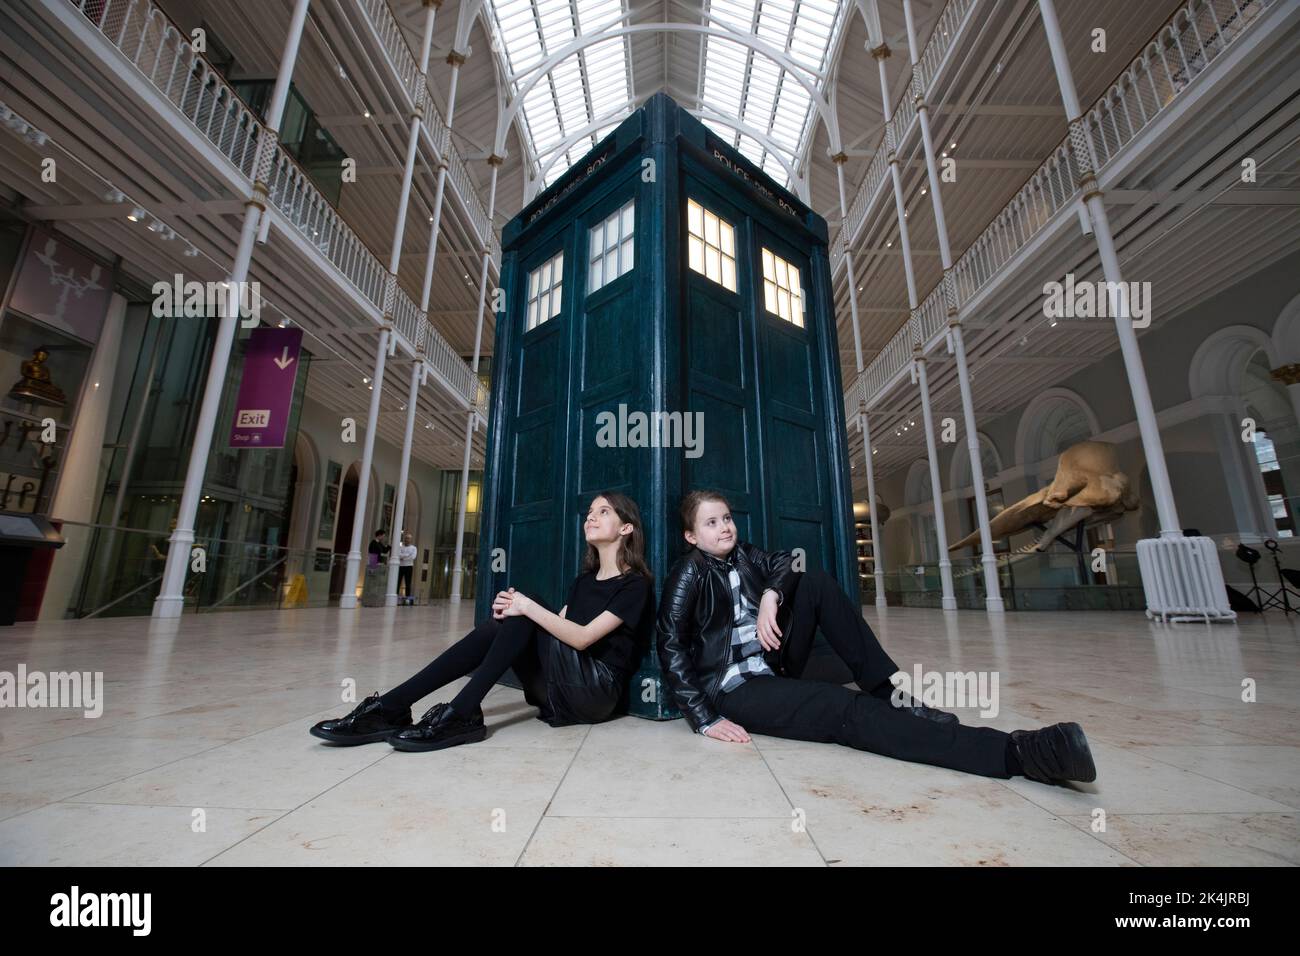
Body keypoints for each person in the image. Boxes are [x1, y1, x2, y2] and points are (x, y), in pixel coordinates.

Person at [656, 489, 1097, 785]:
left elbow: (791, 561)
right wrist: (704, 717)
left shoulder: (746, 555)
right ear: (692, 536)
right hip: (737, 688)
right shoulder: (688, 572)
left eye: (727, 518)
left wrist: (771, 593)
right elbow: (670, 644)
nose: (725, 527)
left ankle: (889, 691)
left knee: (814, 582)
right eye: (711, 523)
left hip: (773, 661)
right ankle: (1019, 754)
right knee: (845, 710)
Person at [311, 492, 654, 752]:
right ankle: (402, 707)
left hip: (595, 693)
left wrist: (526, 607)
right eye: (589, 512)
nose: (590, 518)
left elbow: (581, 639)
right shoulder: (584, 581)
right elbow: (558, 627)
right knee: (513, 618)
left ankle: (434, 710)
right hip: (561, 684)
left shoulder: (634, 584)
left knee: (526, 610)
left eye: (603, 512)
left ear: (626, 528)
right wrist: (512, 611)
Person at [396, 532, 418, 606]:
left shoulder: (414, 548)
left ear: (411, 540)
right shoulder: (400, 547)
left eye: (408, 538)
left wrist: (403, 557)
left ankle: (407, 600)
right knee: (398, 582)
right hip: (400, 566)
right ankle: (396, 599)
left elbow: (413, 557)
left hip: (409, 566)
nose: (407, 539)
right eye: (406, 538)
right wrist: (407, 555)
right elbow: (398, 555)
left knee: (407, 583)